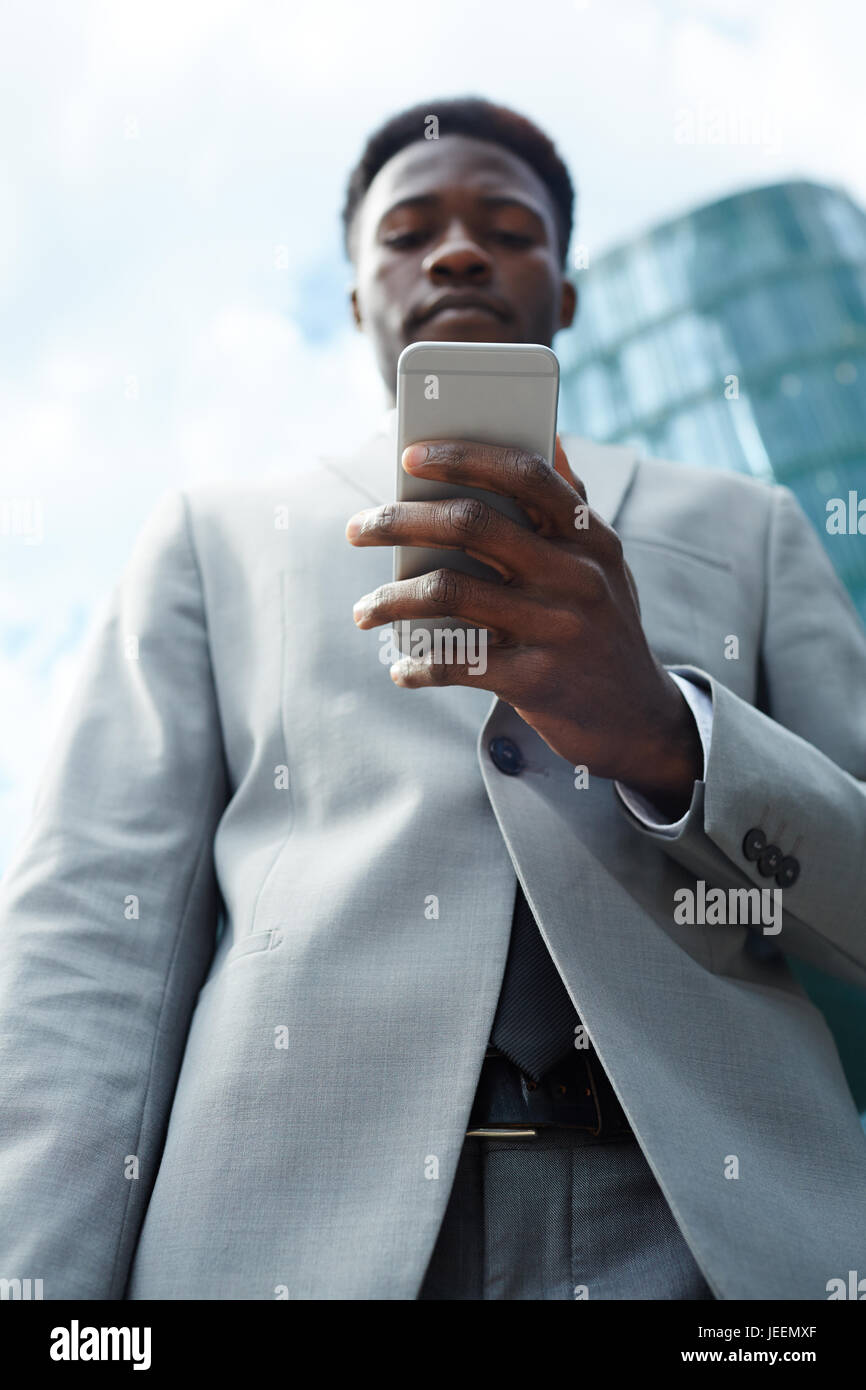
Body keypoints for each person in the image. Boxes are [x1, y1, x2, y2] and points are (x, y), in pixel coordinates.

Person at [1, 96, 865, 1302]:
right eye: (407, 232)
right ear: (357, 297)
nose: (457, 249)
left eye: (507, 226)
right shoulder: (215, 535)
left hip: (703, 1248)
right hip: (283, 1237)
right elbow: (95, 935)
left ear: (564, 293)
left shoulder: (745, 527)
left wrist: (671, 739)